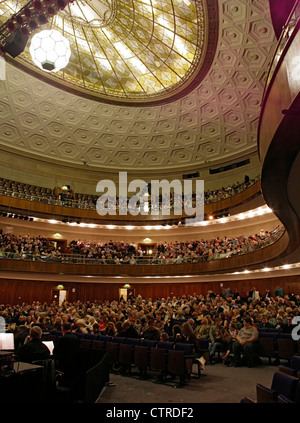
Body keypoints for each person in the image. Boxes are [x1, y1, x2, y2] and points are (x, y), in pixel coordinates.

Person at [53, 322, 80, 389]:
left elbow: (56, 351)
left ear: (63, 329)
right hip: (74, 361)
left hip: (64, 362)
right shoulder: (76, 337)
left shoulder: (63, 338)